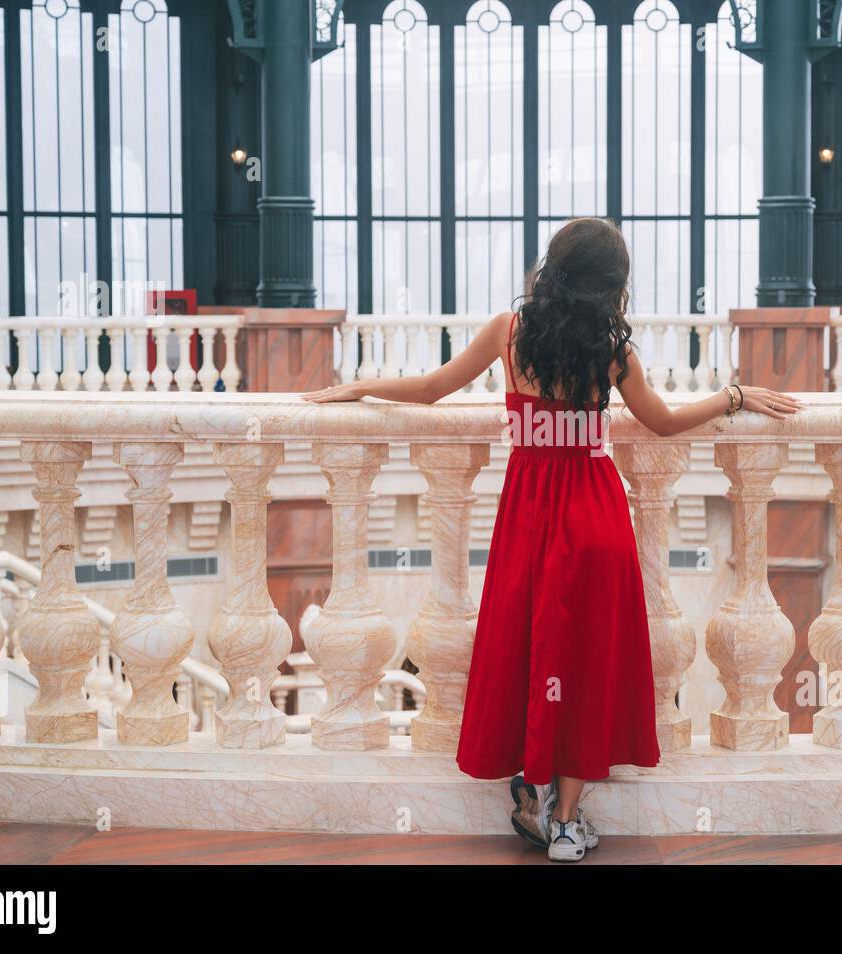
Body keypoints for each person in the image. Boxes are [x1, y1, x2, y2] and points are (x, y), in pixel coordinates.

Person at [304, 217, 803, 861]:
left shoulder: (509, 333)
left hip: (530, 515)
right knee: (585, 661)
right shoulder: (613, 351)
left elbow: (430, 390)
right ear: (610, 284)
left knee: (534, 650)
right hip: (596, 515)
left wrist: (361, 386)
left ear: (553, 269)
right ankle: (566, 820)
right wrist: (733, 396)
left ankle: (534, 790)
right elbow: (663, 422)